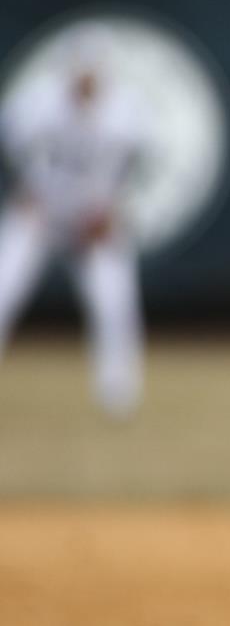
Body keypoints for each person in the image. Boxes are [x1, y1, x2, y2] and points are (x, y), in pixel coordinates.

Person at [0, 40, 151, 419]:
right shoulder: (38, 101)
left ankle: (118, 395)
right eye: (80, 73)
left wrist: (114, 209)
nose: (85, 81)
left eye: (92, 74)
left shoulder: (125, 112)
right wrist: (25, 192)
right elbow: (14, 146)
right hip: (42, 213)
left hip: (94, 219)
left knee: (114, 302)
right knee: (3, 290)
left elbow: (140, 166)